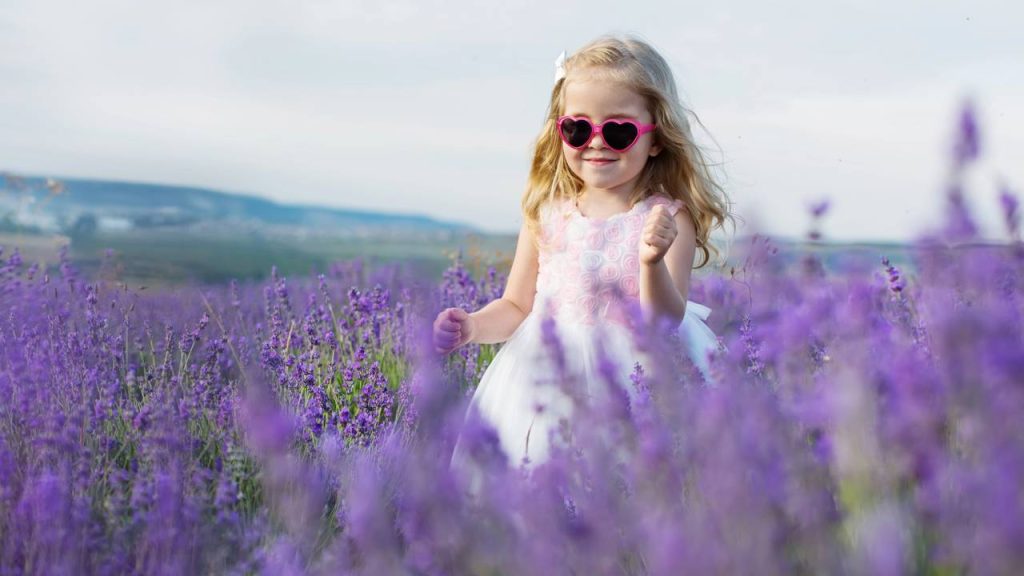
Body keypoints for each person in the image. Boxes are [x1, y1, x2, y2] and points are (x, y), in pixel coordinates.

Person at [434, 34, 733, 467]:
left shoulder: (668, 217)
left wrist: (650, 263)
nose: (596, 142)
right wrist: (473, 327)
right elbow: (517, 305)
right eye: (577, 128)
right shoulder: (547, 212)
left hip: (634, 384)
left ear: (656, 138)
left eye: (618, 130)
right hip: (543, 380)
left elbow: (666, 321)